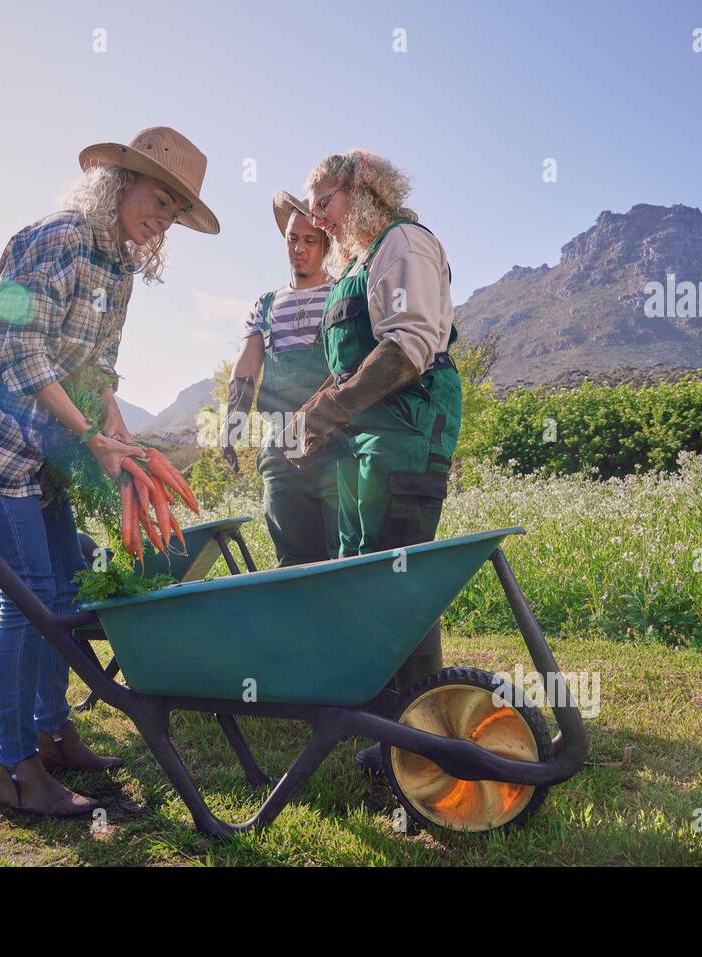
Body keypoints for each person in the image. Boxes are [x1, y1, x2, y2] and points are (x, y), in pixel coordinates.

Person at [0, 128, 220, 815]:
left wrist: (114, 427)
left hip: (49, 447)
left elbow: (96, 365)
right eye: (158, 197)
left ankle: (53, 733)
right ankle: (13, 767)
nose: (163, 216)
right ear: (120, 184)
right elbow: (20, 349)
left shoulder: (120, 266)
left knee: (61, 593)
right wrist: (88, 433)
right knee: (27, 596)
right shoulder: (55, 237)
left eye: (175, 209)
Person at [291, 149, 462, 772]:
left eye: (325, 201)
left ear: (362, 191)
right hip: (367, 436)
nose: (319, 217)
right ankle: (399, 725)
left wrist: (329, 409)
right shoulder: (358, 265)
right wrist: (317, 410)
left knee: (397, 577)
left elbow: (407, 349)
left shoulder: (404, 244)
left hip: (408, 426)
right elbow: (348, 366)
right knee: (370, 570)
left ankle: (426, 735)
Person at [222, 191, 339, 566]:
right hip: (281, 446)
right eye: (292, 238)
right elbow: (246, 366)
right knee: (293, 557)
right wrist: (232, 422)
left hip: (336, 441)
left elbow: (351, 364)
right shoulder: (266, 304)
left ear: (325, 245)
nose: (298, 248)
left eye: (309, 240)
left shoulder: (341, 294)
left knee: (343, 555)